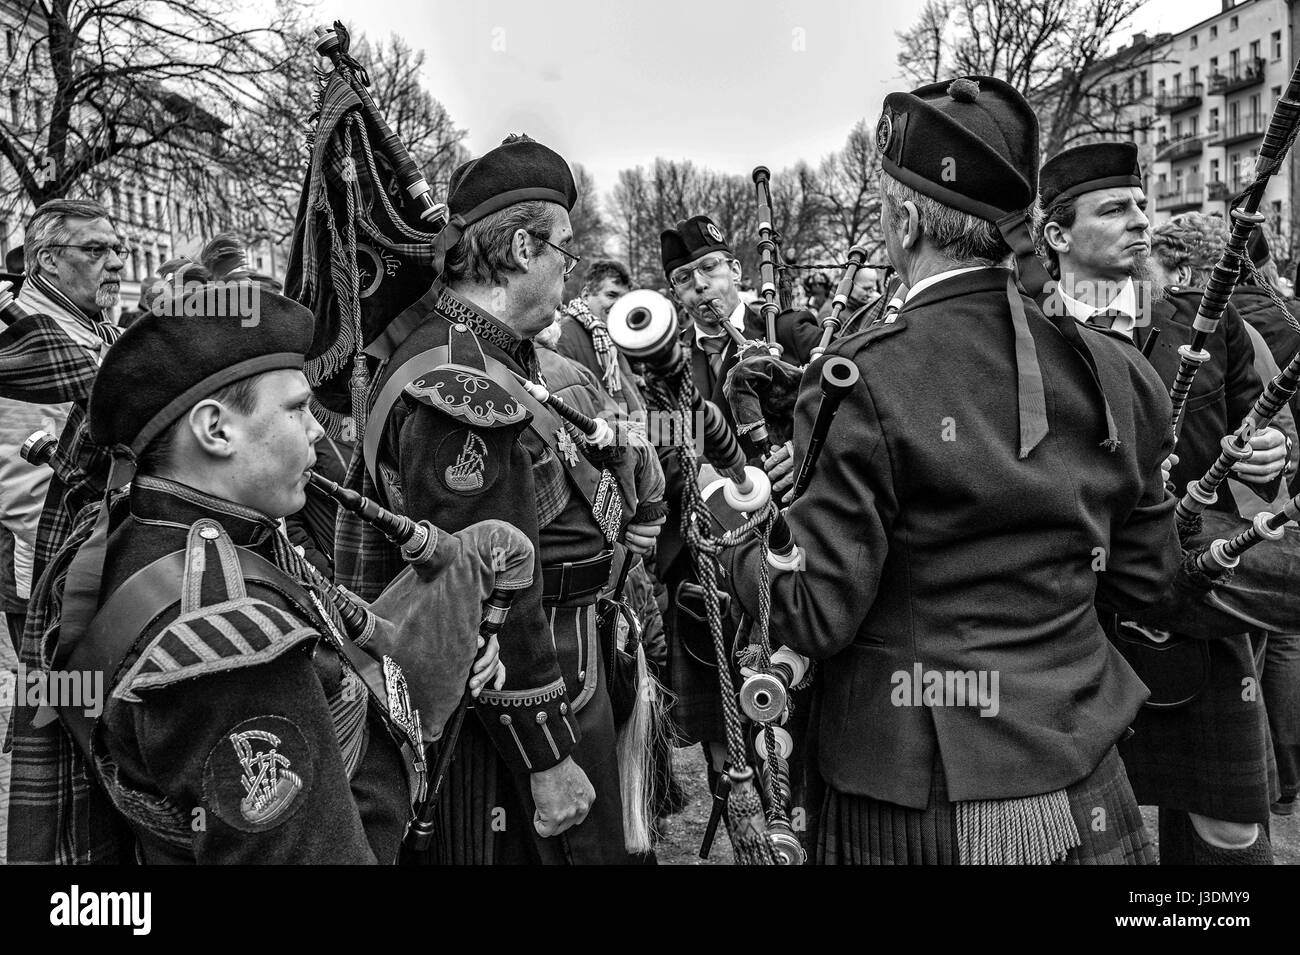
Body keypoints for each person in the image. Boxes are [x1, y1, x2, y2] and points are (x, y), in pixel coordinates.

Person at [720, 76, 1181, 865]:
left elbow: (813, 610)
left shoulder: (861, 376)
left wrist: (733, 524)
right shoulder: (1118, 365)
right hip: (1087, 774)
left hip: (920, 797)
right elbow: (1150, 580)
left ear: (903, 223)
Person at [9, 282, 500, 863]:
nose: (316, 429)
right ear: (215, 430)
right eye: (296, 408)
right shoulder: (230, 644)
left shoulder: (143, 535)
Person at [345, 134, 664, 864]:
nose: (568, 271)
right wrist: (546, 757)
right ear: (523, 248)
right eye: (564, 252)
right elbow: (482, 587)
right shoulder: (460, 381)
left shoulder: (486, 353)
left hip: (566, 657)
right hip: (525, 698)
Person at [1038, 142, 1288, 864]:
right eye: (1115, 209)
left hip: (1191, 599)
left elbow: (1261, 428)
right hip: (1065, 612)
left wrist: (1271, 455)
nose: (1141, 221)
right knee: (1066, 828)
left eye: (1143, 206)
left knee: (1227, 827)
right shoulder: (1021, 335)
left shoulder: (1205, 323)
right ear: (1057, 235)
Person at [653, 216, 820, 782]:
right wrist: (703, 478)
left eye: (708, 269)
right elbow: (658, 445)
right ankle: (742, 811)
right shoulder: (668, 363)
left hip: (793, 551)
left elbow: (851, 412)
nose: (699, 286)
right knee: (724, 725)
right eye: (683, 279)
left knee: (800, 712)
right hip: (708, 564)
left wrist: (801, 449)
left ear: (735, 270)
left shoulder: (791, 331)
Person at [0, 201, 124, 644]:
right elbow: (23, 489)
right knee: (57, 682)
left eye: (117, 249)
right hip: (53, 565)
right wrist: (84, 565)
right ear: (49, 260)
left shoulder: (98, 331)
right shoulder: (17, 342)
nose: (115, 262)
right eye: (95, 250)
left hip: (97, 554)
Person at [556, 259, 646, 417]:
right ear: (586, 295)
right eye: (611, 295)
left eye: (623, 299)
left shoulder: (608, 335)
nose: (619, 305)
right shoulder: (563, 334)